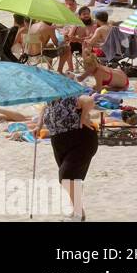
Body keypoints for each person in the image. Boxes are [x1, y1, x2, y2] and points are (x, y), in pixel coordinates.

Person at [38, 92, 97, 221]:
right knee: (72, 179)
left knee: (66, 176)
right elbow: (43, 109)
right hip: (59, 143)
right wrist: (38, 125)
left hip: (81, 139)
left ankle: (79, 214)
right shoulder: (50, 100)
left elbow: (89, 100)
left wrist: (83, 115)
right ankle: (76, 211)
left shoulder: (71, 97)